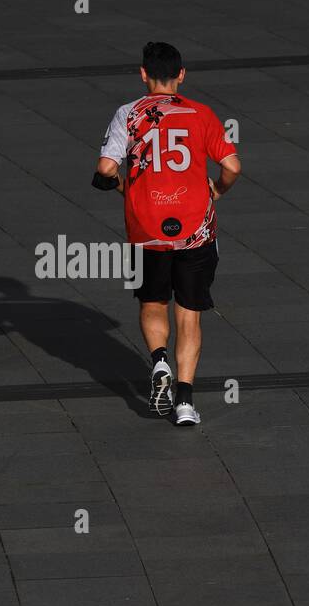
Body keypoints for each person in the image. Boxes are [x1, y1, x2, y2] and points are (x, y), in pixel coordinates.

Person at [94, 41, 241, 426]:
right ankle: (186, 402)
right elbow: (233, 166)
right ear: (181, 75)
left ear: (143, 74)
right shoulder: (201, 113)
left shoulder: (129, 113)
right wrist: (218, 190)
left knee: (152, 302)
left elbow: (106, 168)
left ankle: (159, 360)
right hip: (195, 226)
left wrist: (125, 187)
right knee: (189, 313)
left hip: (146, 226)